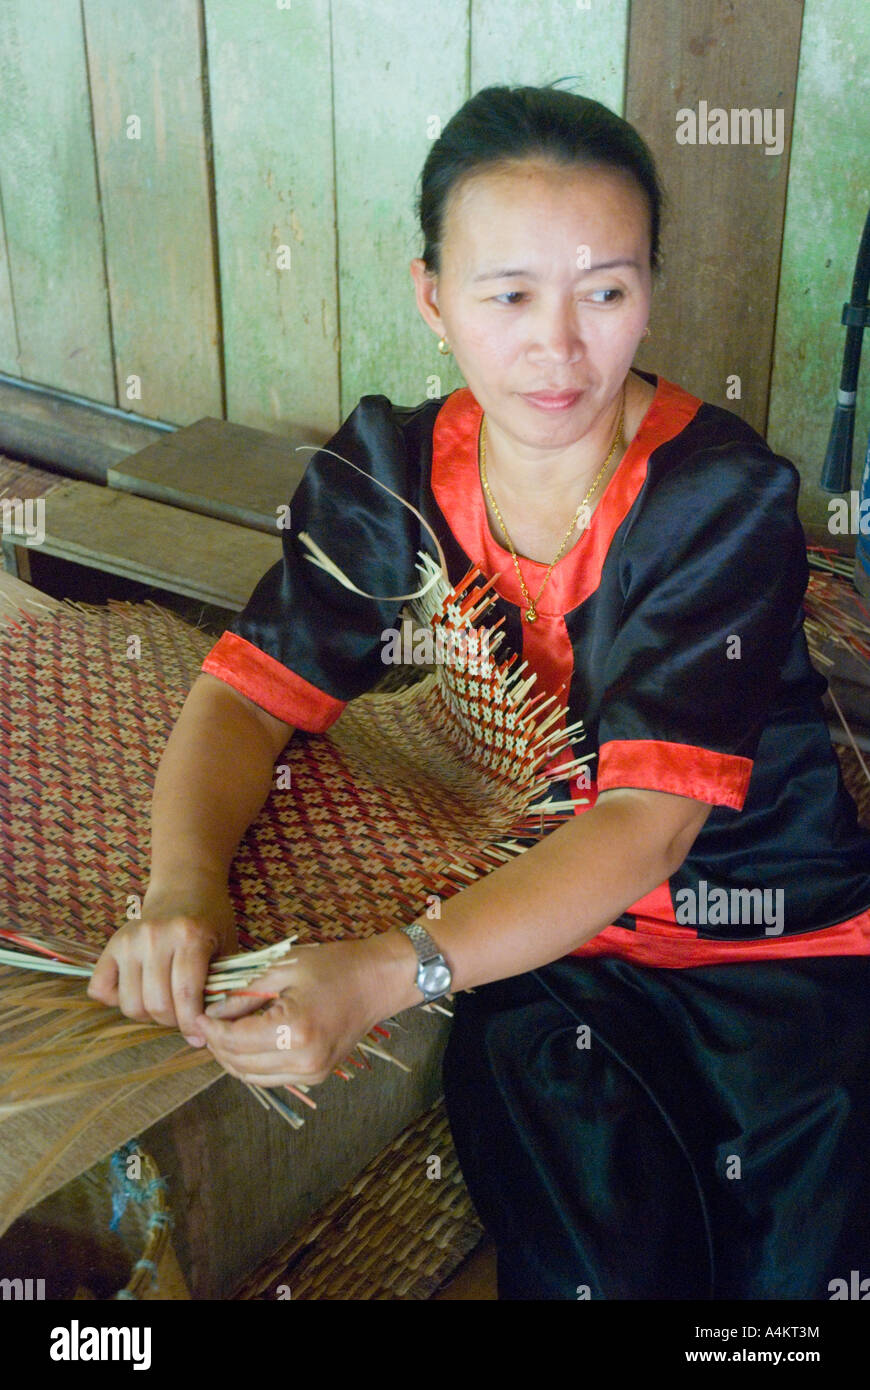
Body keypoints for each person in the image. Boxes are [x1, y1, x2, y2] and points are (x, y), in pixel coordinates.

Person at [88, 84, 870, 1300]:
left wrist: (392, 970)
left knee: (793, 1293)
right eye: (508, 295)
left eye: (606, 291)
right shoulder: (391, 474)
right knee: (592, 1279)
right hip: (539, 939)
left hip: (770, 942)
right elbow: (250, 694)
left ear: (650, 290)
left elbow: (643, 825)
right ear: (434, 299)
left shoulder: (717, 497)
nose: (559, 348)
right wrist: (182, 891)